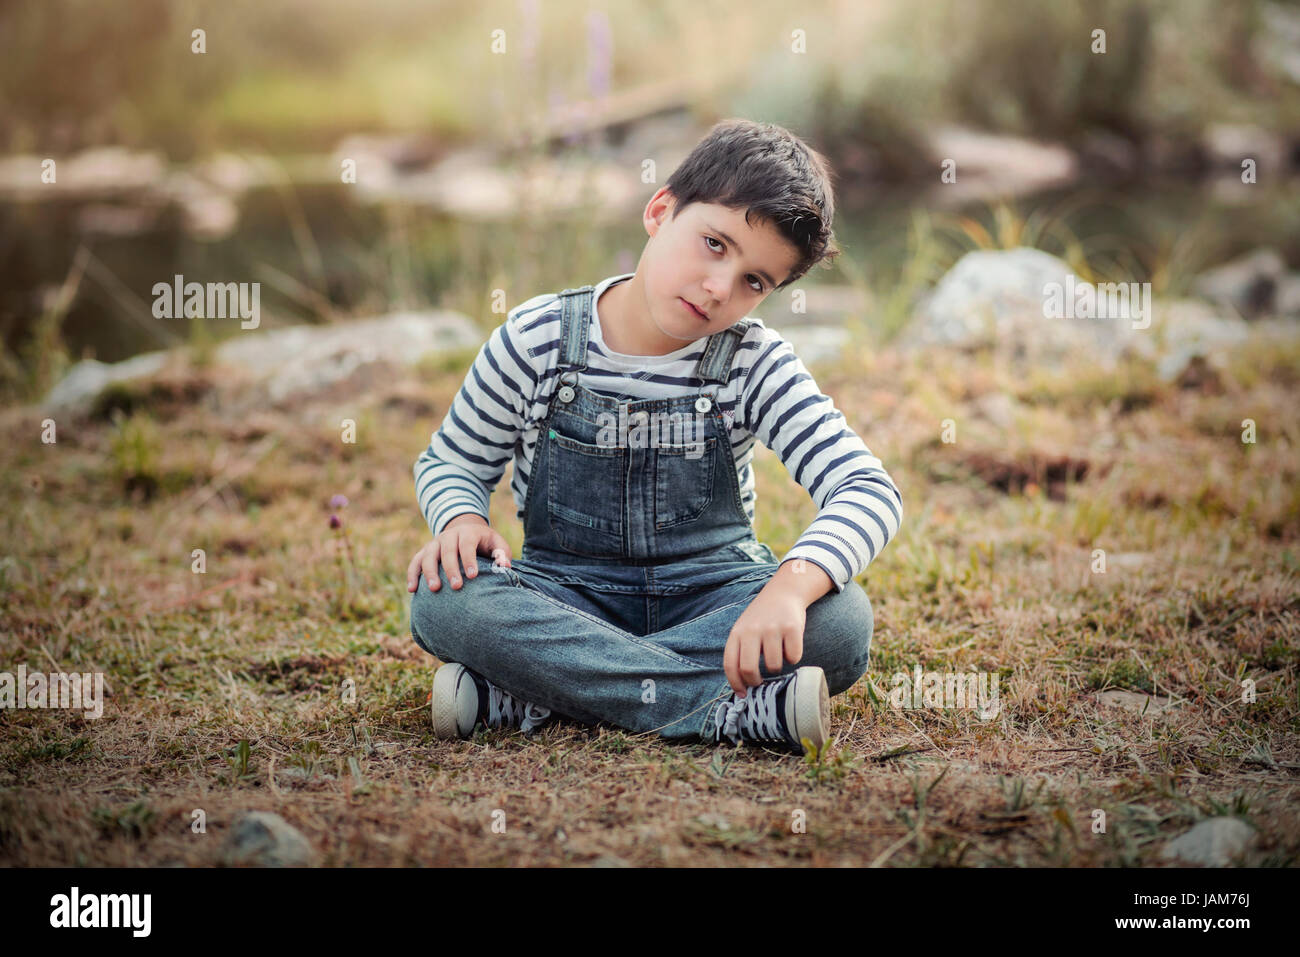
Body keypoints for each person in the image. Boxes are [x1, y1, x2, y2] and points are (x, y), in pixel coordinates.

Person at [407, 118, 902, 755]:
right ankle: (723, 709)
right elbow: (452, 461)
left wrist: (791, 585)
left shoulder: (755, 362)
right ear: (660, 209)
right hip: (566, 595)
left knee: (840, 622)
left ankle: (537, 692)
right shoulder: (538, 338)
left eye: (755, 282)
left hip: (715, 598)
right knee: (445, 602)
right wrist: (459, 518)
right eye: (715, 244)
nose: (719, 288)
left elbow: (865, 487)